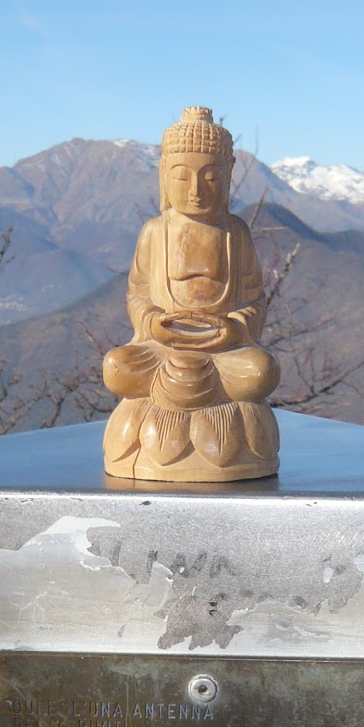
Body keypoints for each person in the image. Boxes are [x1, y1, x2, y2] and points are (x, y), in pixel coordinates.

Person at [102, 107, 280, 481]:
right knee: (117, 367)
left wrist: (235, 329)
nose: (196, 190)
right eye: (182, 177)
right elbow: (137, 293)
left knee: (260, 371)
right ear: (164, 178)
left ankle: (198, 435)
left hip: (223, 353)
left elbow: (253, 299)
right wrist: (152, 323)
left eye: (210, 177)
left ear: (227, 179)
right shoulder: (155, 232)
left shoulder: (235, 233)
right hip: (162, 348)